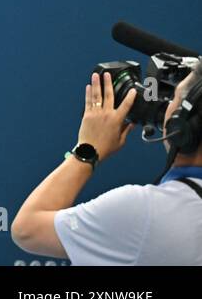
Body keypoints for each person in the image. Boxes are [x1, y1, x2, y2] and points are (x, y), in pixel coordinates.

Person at [11, 64, 202, 265]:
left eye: (174, 100)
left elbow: (26, 230)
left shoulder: (144, 212)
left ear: (181, 127)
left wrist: (89, 148)